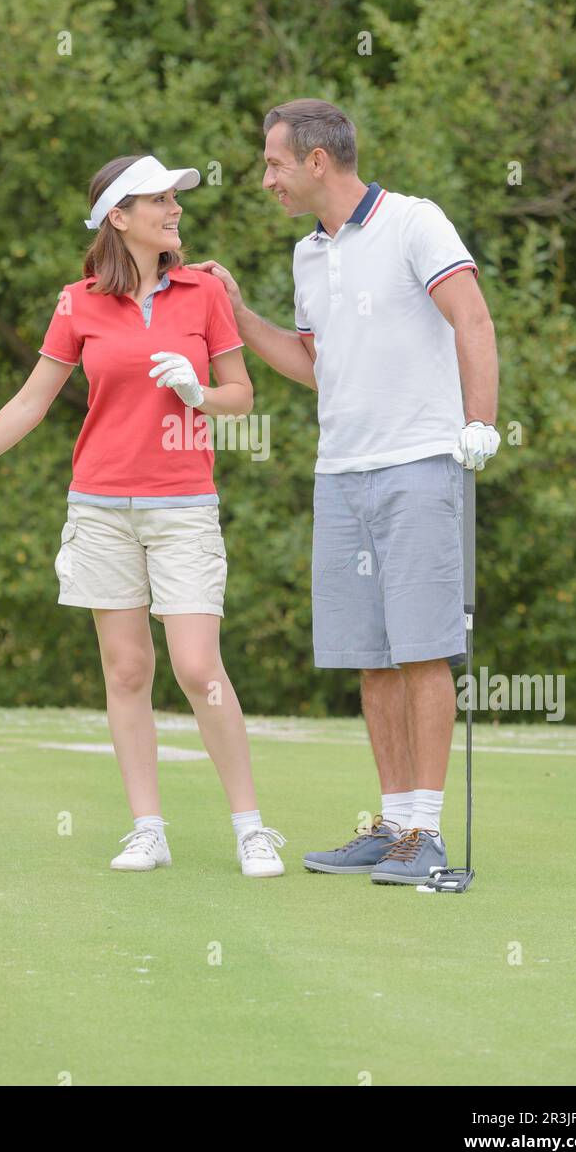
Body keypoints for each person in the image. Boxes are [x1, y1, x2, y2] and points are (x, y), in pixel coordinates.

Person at [0, 153, 286, 878]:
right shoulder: (76, 301)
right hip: (102, 507)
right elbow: (29, 403)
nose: (174, 209)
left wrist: (197, 392)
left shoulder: (203, 290)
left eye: (175, 198)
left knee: (198, 667)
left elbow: (242, 396)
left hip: (182, 506)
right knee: (126, 669)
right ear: (119, 217)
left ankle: (251, 828)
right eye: (159, 200)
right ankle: (148, 828)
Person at [190, 99, 500, 886]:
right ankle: (392, 822)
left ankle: (423, 834)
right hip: (341, 474)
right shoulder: (306, 255)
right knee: (369, 656)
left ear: (316, 161)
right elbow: (311, 365)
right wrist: (238, 315)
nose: (266, 179)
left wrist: (479, 421)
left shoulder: (413, 223)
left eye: (273, 164)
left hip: (421, 464)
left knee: (422, 648)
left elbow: (470, 317)